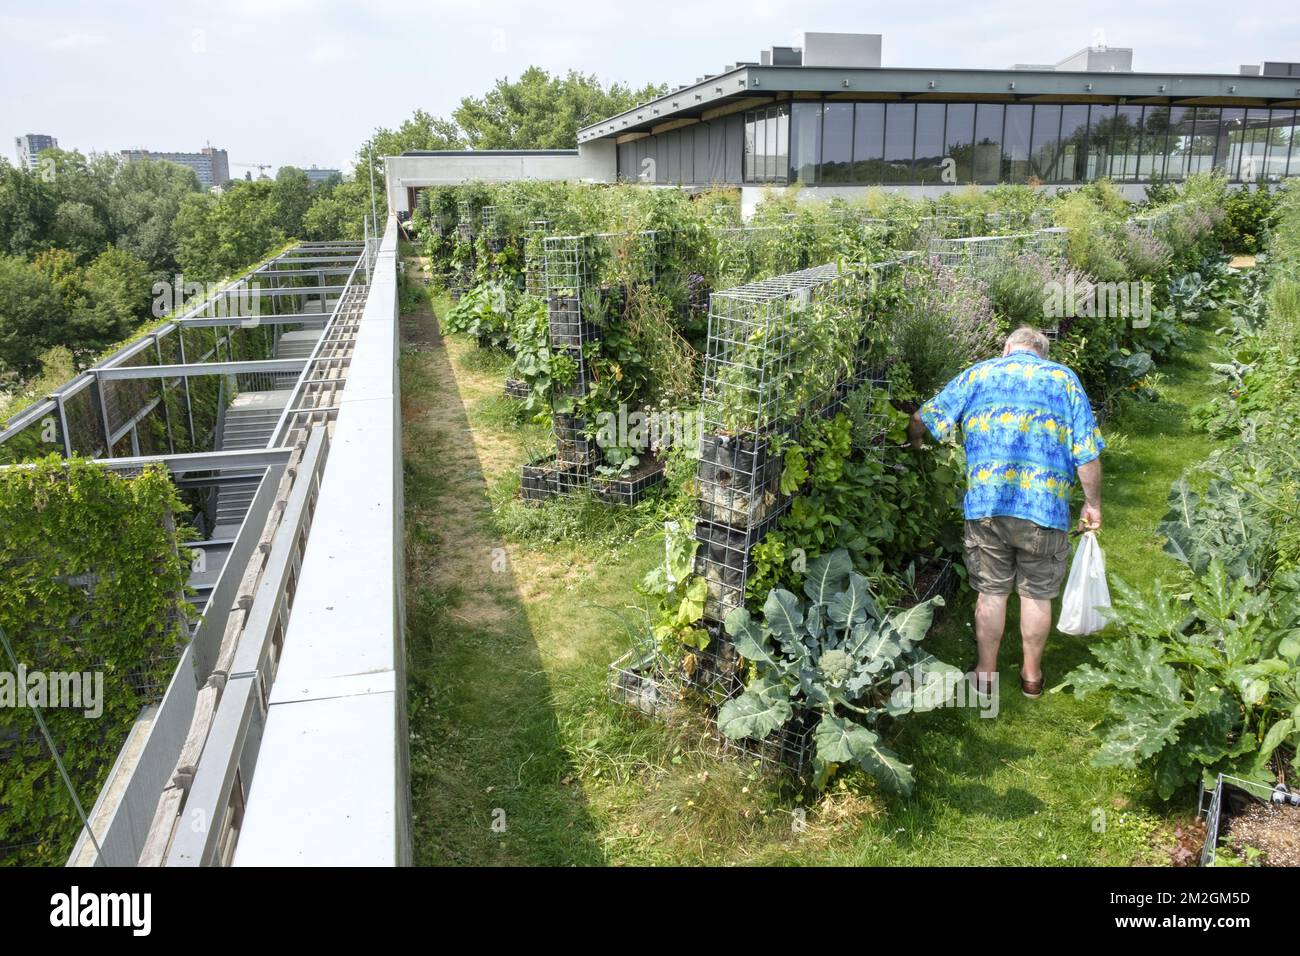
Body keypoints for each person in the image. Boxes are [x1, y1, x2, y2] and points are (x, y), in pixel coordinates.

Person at [906, 326, 1104, 699]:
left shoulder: (980, 373)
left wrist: (914, 446)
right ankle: (1031, 677)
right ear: (1041, 353)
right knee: (1036, 594)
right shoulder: (1063, 379)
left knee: (991, 593)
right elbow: (1087, 451)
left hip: (987, 507)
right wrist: (1092, 504)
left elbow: (923, 419)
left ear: (1007, 348)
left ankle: (984, 675)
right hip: (1044, 509)